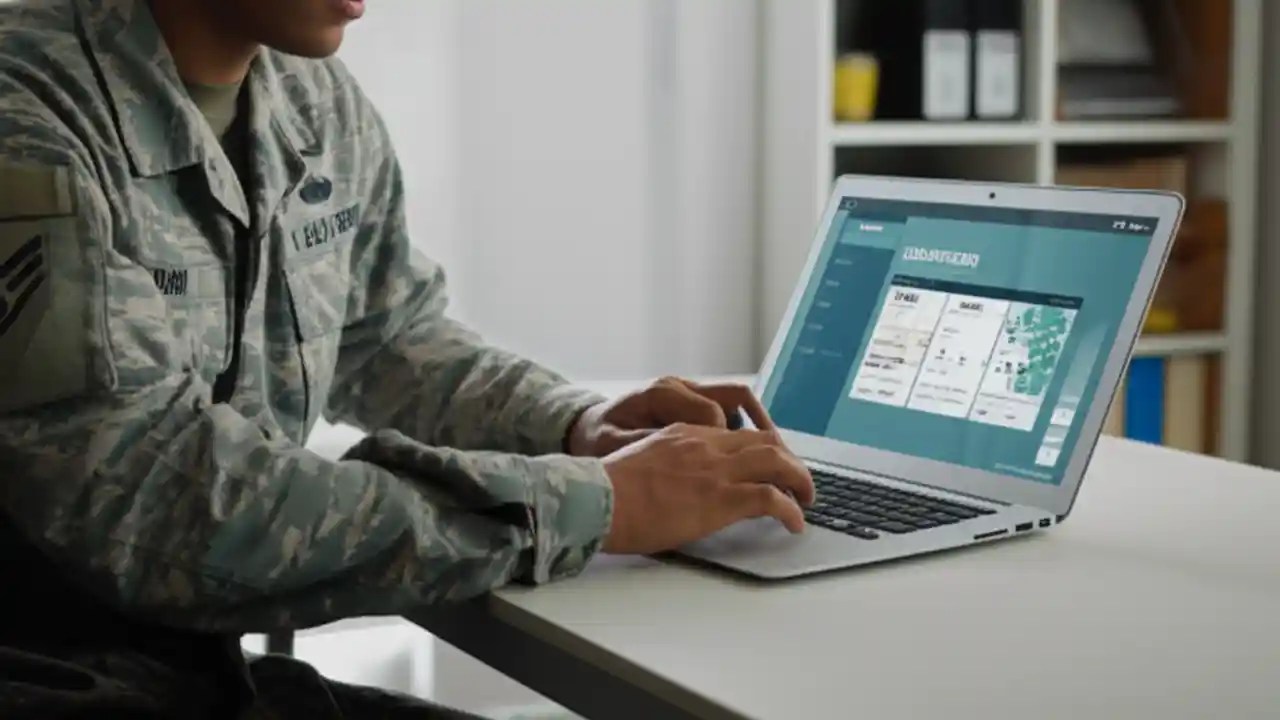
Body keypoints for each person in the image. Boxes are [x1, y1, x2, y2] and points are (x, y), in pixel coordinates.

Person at [0, 1, 814, 718]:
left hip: (191, 674)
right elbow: (147, 500)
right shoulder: (25, 105)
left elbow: (383, 334)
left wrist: (575, 424)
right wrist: (587, 504)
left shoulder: (313, 101)